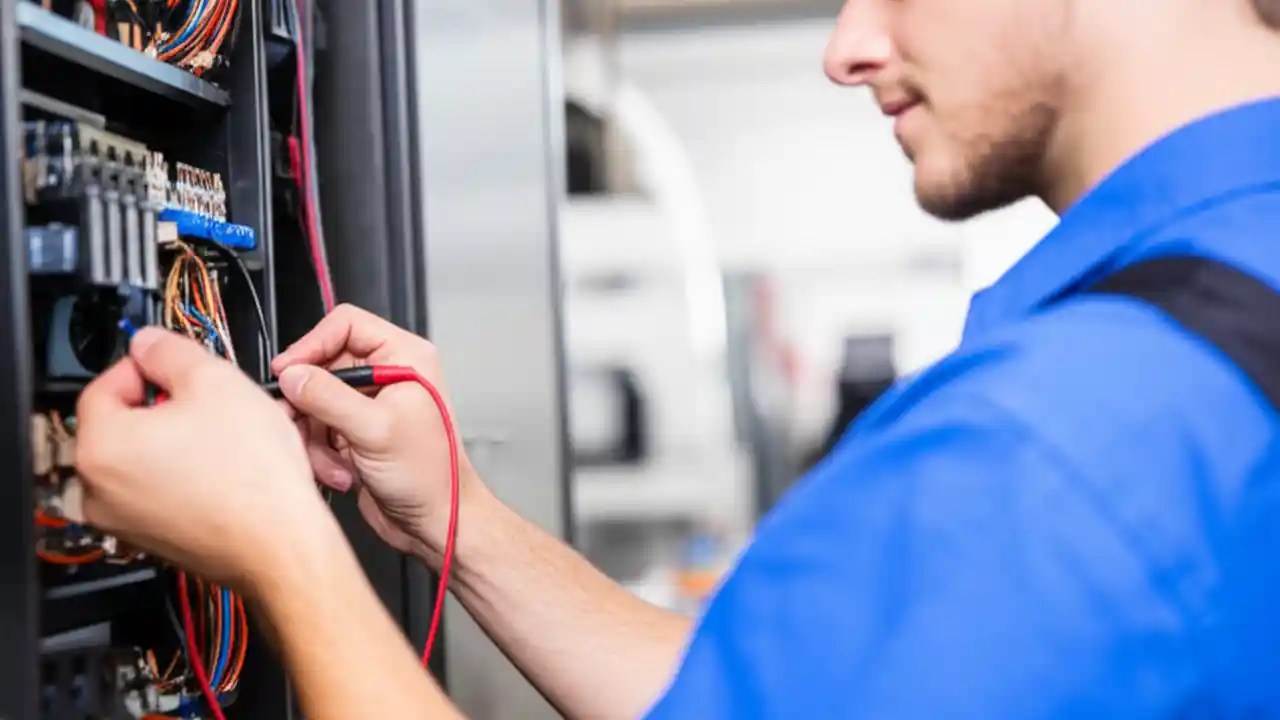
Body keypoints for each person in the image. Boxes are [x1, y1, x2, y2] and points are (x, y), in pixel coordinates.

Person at [72, 0, 1280, 716]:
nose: (847, 45)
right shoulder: (1219, 315)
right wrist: (465, 524)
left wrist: (284, 549)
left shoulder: (1067, 442)